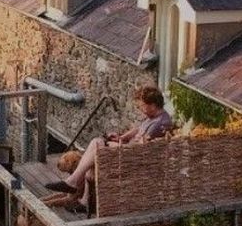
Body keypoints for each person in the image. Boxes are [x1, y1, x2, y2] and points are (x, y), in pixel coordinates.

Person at [44, 85, 172, 210]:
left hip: (132, 159)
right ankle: (83, 199)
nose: (140, 109)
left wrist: (113, 144)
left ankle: (73, 182)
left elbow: (139, 149)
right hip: (127, 151)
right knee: (94, 156)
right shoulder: (152, 117)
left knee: (97, 144)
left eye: (142, 106)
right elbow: (138, 129)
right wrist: (121, 138)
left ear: (153, 105)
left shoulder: (160, 123)